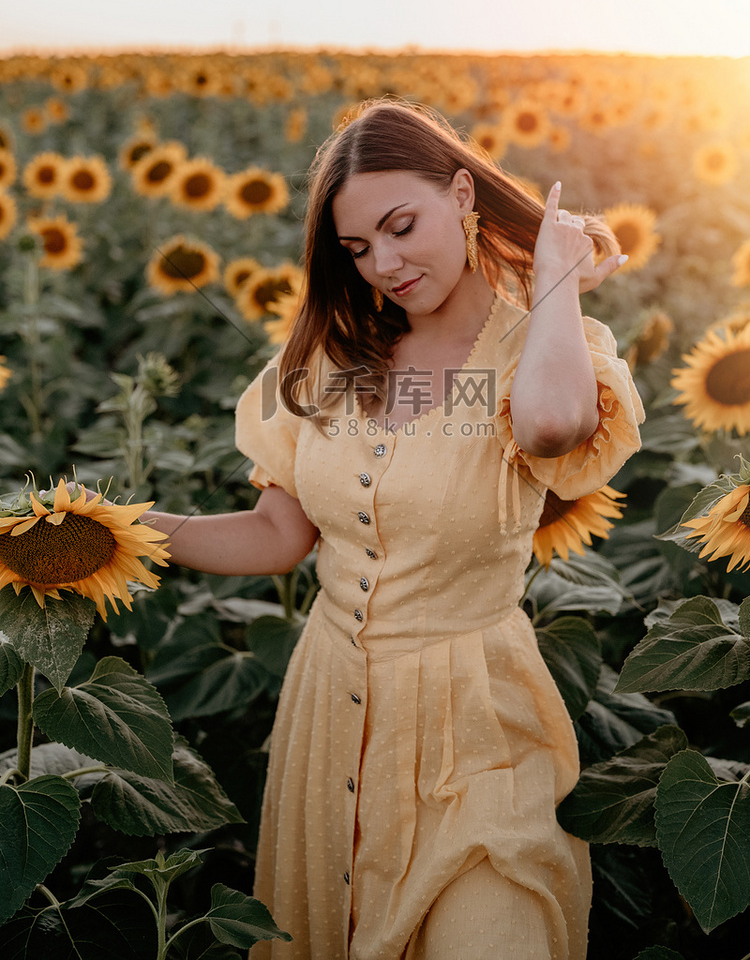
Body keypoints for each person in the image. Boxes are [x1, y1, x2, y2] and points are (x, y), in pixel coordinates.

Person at [145, 98, 645, 959]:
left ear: (461, 192)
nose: (385, 263)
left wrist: (556, 279)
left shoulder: (545, 346)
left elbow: (554, 426)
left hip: (479, 723)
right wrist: (111, 528)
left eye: (401, 225)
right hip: (332, 713)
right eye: (358, 248)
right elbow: (276, 535)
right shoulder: (331, 358)